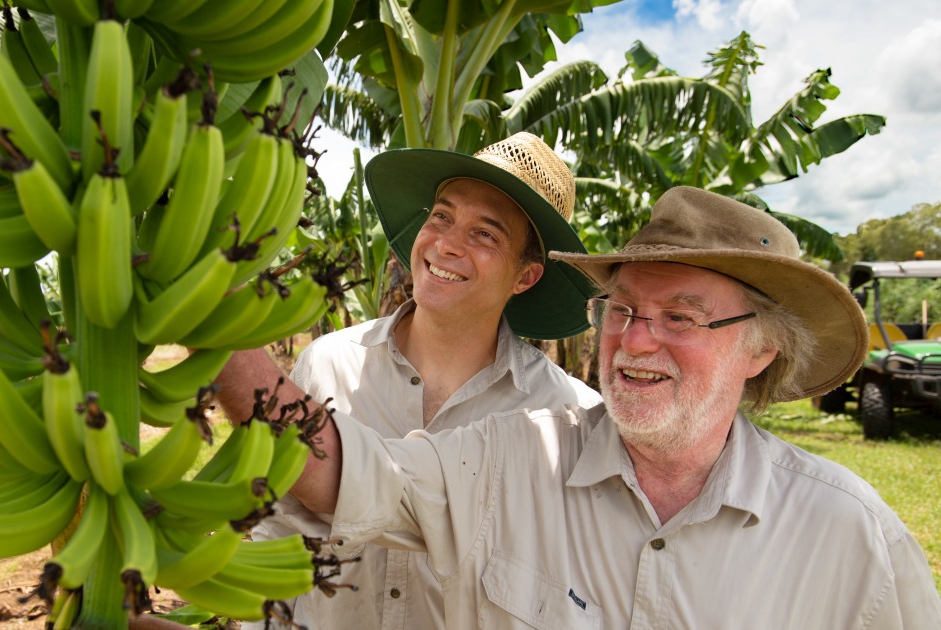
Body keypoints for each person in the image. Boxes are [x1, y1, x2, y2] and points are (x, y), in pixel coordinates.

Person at [269, 187, 941, 628]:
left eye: (680, 317)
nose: (635, 340)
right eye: (622, 310)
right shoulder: (515, 456)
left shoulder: (851, 537)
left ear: (760, 349)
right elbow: (350, 475)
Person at [214, 132, 601, 629]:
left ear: (525, 277)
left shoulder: (564, 418)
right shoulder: (328, 365)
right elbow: (278, 536)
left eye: (485, 234)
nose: (446, 244)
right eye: (441, 216)